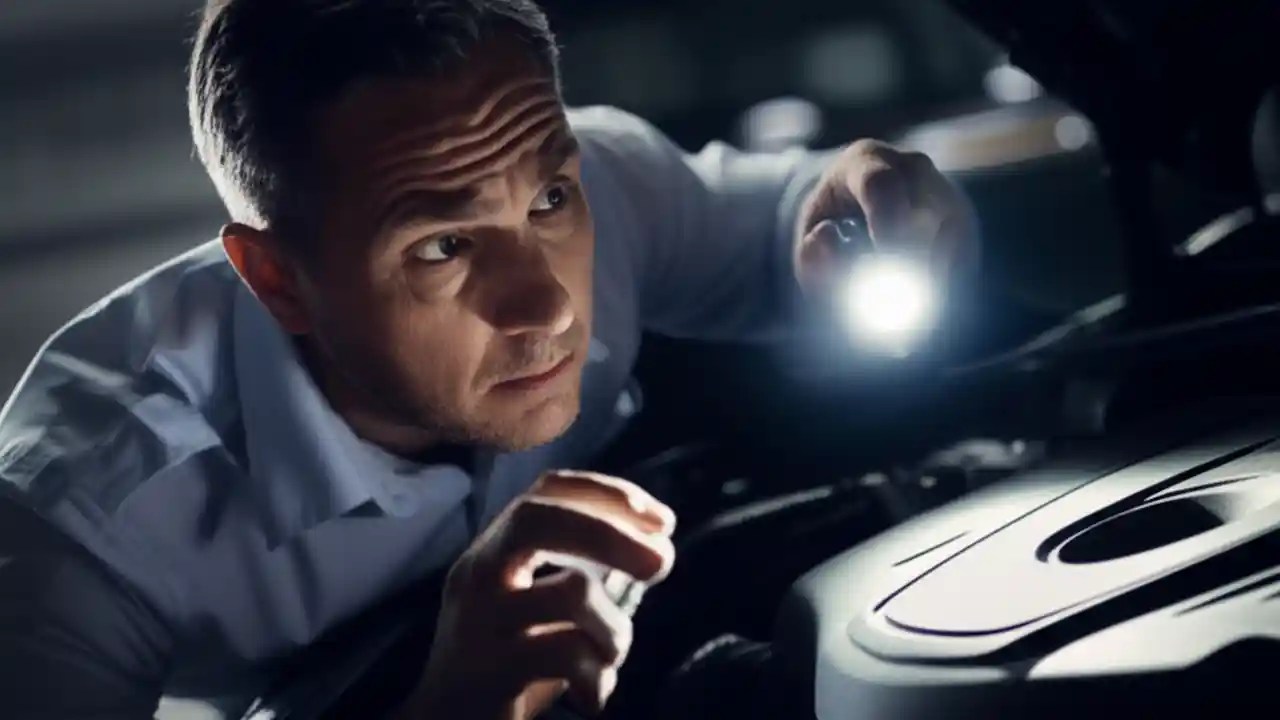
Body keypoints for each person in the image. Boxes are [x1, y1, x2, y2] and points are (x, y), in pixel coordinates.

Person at [0, 1, 977, 718]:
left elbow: (800, 222)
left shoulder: (602, 186)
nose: (547, 303)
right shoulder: (85, 519)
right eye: (443, 246)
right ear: (278, 280)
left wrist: (879, 209)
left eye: (548, 200)